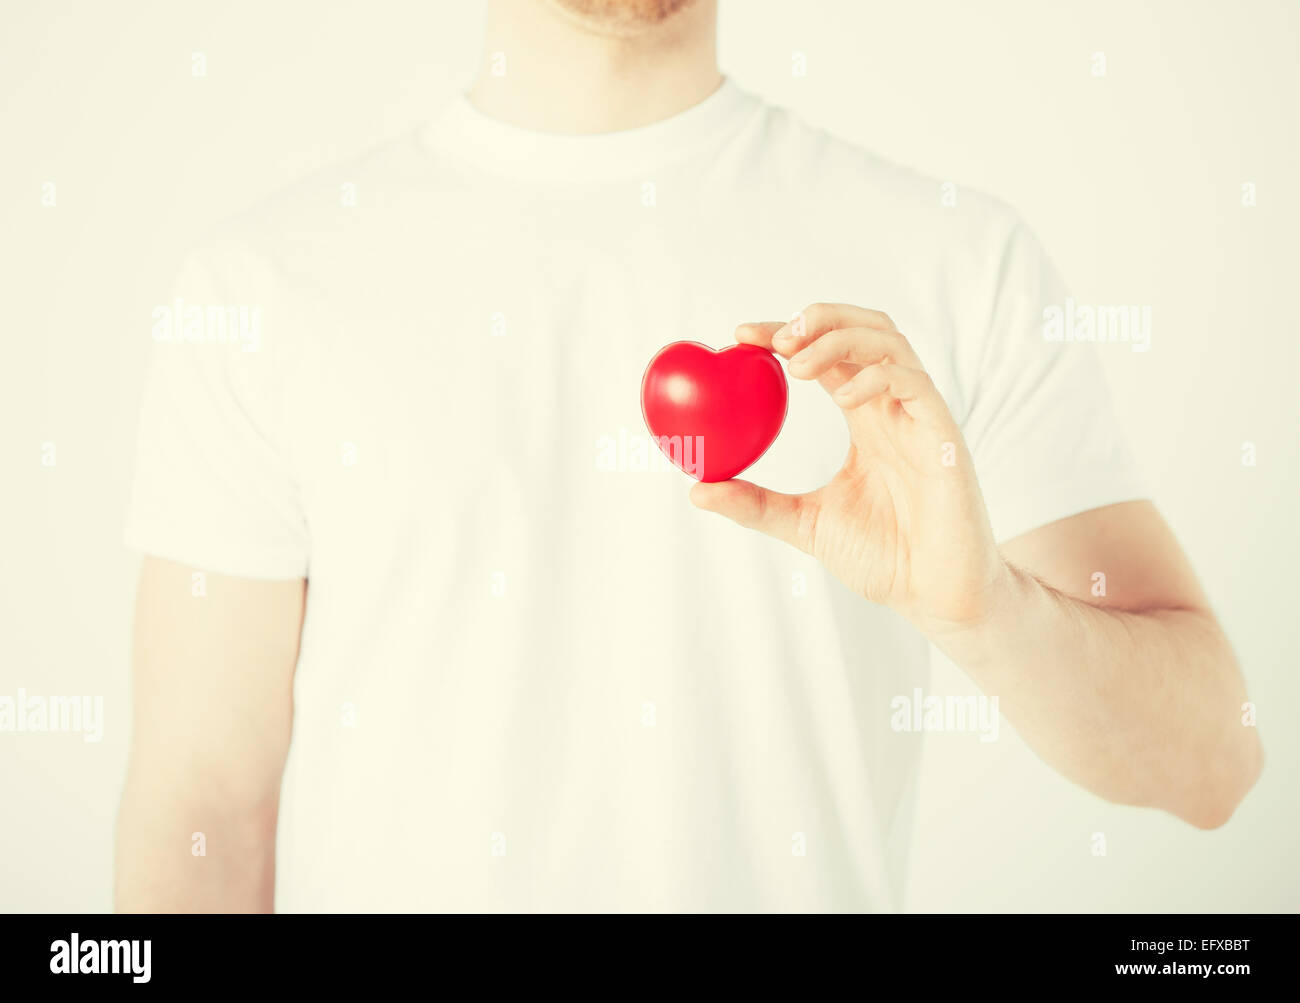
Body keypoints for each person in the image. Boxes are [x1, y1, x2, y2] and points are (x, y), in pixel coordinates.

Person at [115, 0, 1261, 912]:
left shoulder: (957, 259)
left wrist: (988, 613)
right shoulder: (263, 287)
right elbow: (200, 812)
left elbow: (1214, 759)